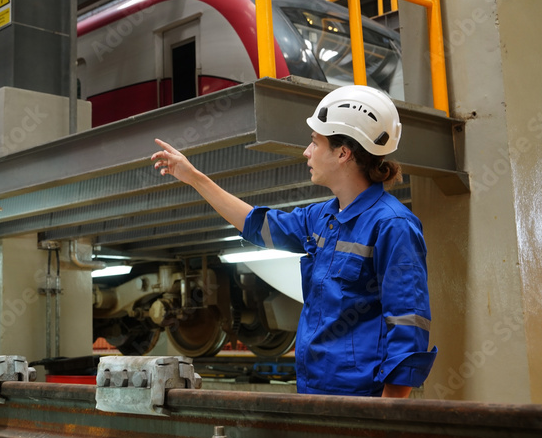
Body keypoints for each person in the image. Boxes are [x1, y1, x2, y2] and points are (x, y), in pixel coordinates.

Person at [151, 85, 436, 397]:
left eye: (315, 142)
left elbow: (408, 322)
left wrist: (387, 414)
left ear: (343, 153)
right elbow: (257, 225)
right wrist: (194, 177)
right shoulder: (322, 219)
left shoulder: (392, 226)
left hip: (361, 401)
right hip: (314, 391)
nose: (306, 152)